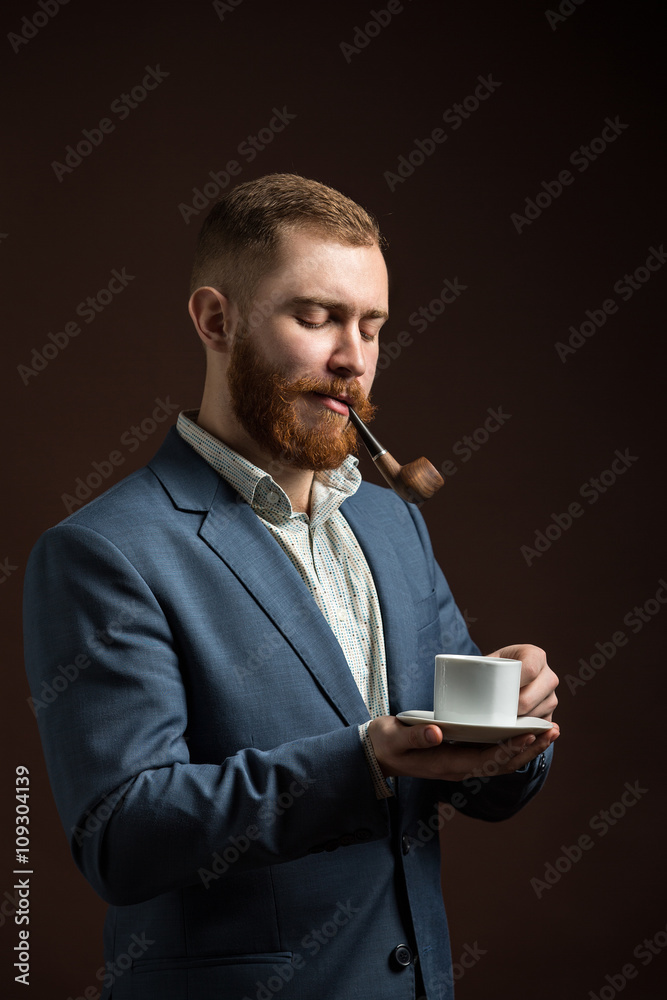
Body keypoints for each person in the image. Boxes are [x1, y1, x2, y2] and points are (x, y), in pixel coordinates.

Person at [23, 173, 559, 1000]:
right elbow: (120, 838)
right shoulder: (103, 551)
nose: (352, 359)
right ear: (215, 320)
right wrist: (363, 763)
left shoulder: (392, 525)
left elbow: (467, 778)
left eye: (371, 326)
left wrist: (509, 729)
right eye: (316, 318)